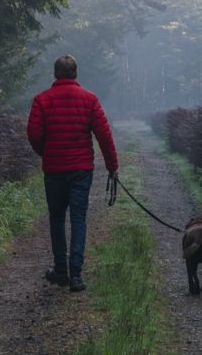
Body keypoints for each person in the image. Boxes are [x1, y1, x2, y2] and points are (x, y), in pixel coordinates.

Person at [26, 55, 118, 292]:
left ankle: (60, 271)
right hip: (80, 170)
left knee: (56, 219)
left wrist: (45, 152)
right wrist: (112, 166)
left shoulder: (41, 100)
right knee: (78, 219)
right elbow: (104, 136)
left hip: (54, 169)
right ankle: (76, 275)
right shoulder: (89, 99)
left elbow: (34, 134)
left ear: (55, 74)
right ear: (76, 73)